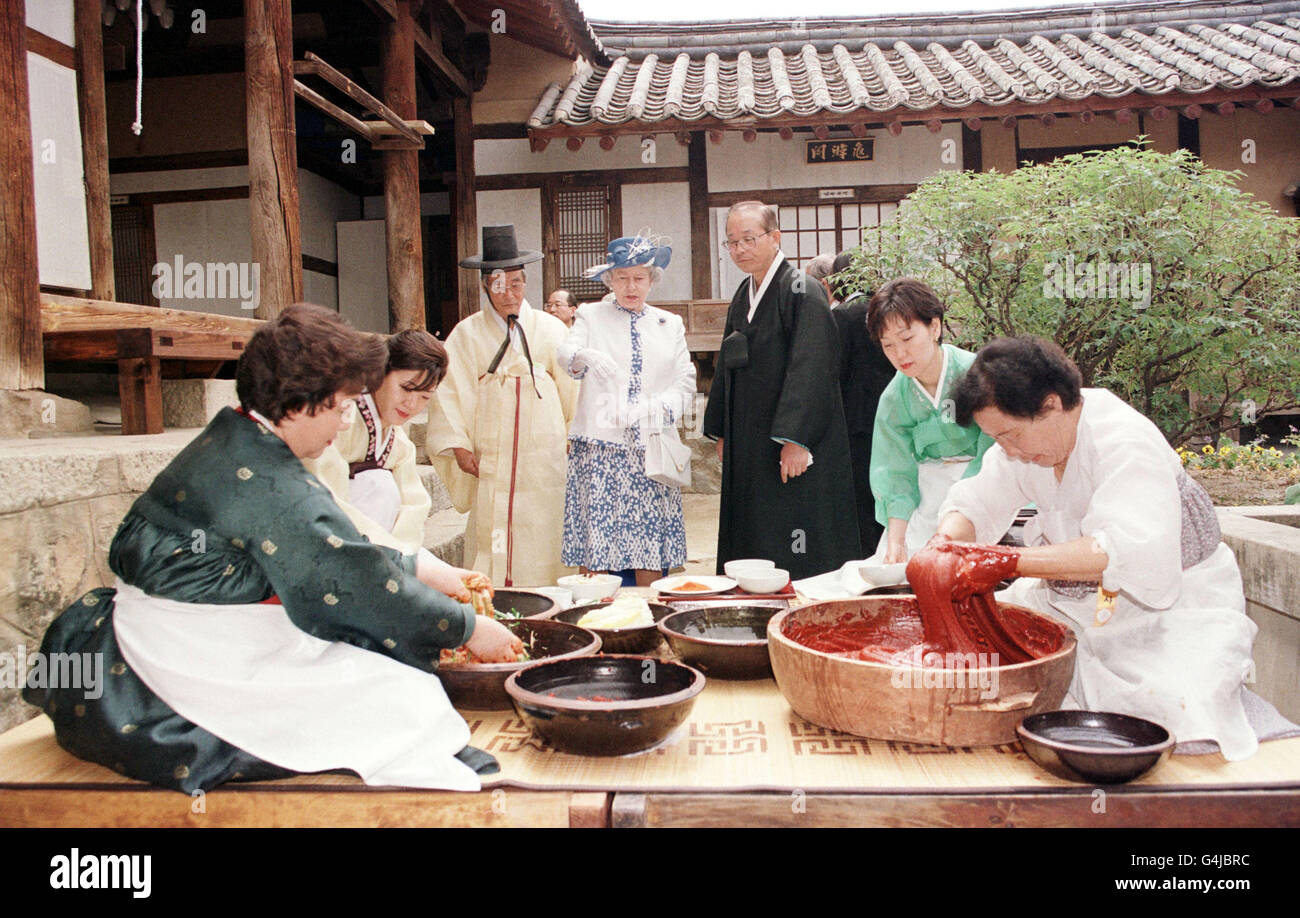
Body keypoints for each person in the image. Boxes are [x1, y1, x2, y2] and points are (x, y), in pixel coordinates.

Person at [23, 304, 523, 794]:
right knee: (396, 692)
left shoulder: (236, 433)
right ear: (304, 403)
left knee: (374, 660)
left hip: (174, 623)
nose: (346, 422)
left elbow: (333, 553)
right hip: (185, 648)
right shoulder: (271, 483)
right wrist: (469, 626)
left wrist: (421, 569)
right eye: (342, 406)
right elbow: (354, 585)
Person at [934, 335, 1261, 760]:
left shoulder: (1124, 438)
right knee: (983, 652)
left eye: (1011, 435)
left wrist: (1007, 562)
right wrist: (945, 544)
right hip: (1070, 601)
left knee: (1165, 702)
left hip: (1172, 607)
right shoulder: (1023, 451)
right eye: (998, 440)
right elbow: (977, 502)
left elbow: (1122, 551)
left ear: (1051, 404)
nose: (1008, 451)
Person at [701, 201, 860, 580]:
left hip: (787, 441)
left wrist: (797, 439)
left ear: (775, 237)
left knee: (794, 526)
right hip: (750, 439)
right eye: (732, 242)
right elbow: (728, 361)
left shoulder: (802, 290)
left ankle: (797, 605)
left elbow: (814, 367)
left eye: (748, 239)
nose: (740, 249)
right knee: (755, 521)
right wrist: (723, 428)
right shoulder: (744, 293)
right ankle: (754, 596)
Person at [426, 224, 578, 587]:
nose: (508, 292)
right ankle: (494, 602)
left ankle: (548, 602)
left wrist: (574, 438)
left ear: (526, 284)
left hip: (545, 457)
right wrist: (459, 446)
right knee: (492, 532)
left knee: (544, 529)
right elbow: (449, 392)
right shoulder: (465, 334)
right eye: (498, 283)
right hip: (490, 455)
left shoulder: (552, 329)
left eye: (516, 283)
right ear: (484, 286)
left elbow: (574, 391)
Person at [303, 328, 485, 601]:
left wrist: (401, 556)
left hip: (378, 550)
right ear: (380, 374)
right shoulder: (342, 419)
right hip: (325, 541)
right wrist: (397, 557)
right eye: (406, 388)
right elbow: (325, 499)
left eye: (425, 397)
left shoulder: (398, 442)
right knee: (378, 483)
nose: (412, 404)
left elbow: (415, 506)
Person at [557, 234, 697, 586]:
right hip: (600, 449)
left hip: (650, 450)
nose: (631, 286)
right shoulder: (590, 314)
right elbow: (565, 353)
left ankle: (649, 620)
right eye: (622, 278)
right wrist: (582, 355)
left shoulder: (670, 323)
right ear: (610, 280)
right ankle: (595, 620)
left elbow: (685, 381)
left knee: (647, 543)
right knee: (598, 546)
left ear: (652, 280)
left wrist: (657, 407)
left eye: (639, 278)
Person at [867, 277, 993, 563]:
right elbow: (894, 473)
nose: (900, 354)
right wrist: (896, 541)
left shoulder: (977, 374)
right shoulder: (894, 397)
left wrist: (962, 508)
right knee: (900, 561)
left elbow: (994, 451)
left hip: (983, 483)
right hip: (927, 490)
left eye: (907, 338)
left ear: (934, 327)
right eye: (888, 345)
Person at [828, 251, 894, 554]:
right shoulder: (885, 312)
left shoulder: (843, 315)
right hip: (891, 412)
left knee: (861, 494)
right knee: (888, 487)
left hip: (855, 419)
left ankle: (865, 552)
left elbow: (835, 369)